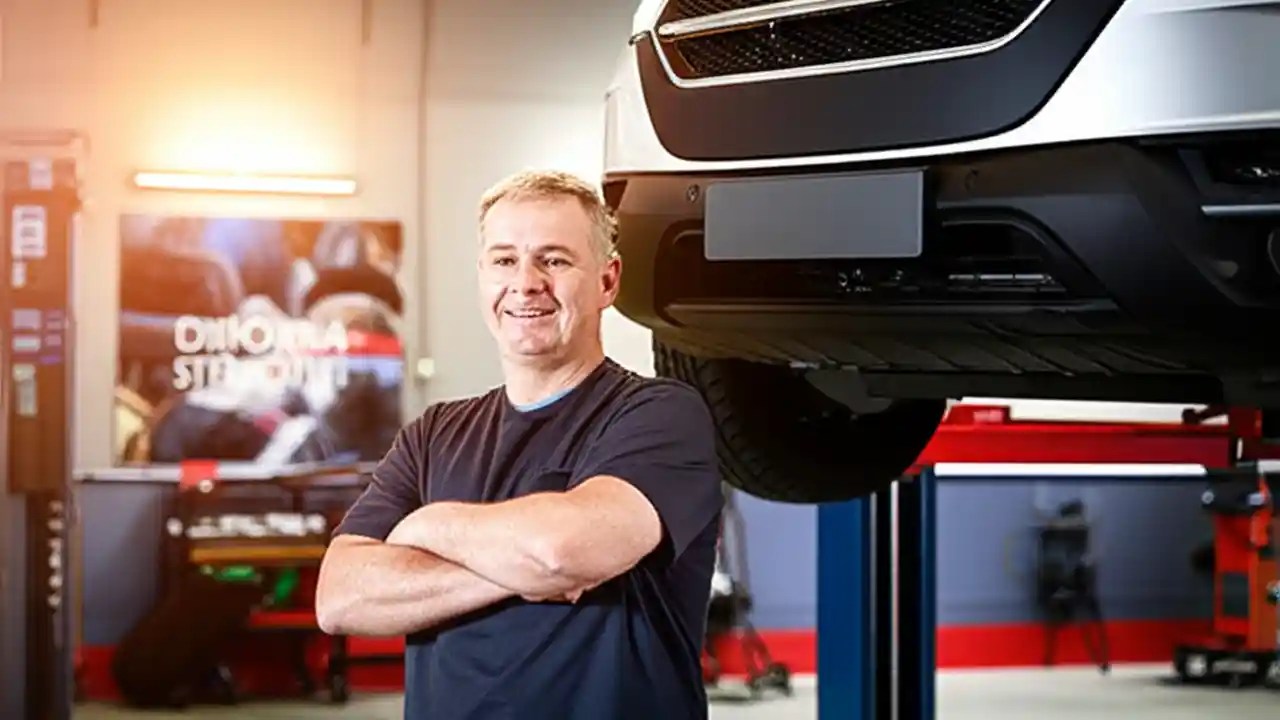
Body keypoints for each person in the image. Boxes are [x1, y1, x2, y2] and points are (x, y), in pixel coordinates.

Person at [315, 169, 725, 719]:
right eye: (504, 260)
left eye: (554, 259)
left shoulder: (660, 416)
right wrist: (518, 568)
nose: (526, 282)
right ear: (483, 277)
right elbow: (341, 598)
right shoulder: (433, 436)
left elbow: (562, 552)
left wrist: (426, 527)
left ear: (607, 281)